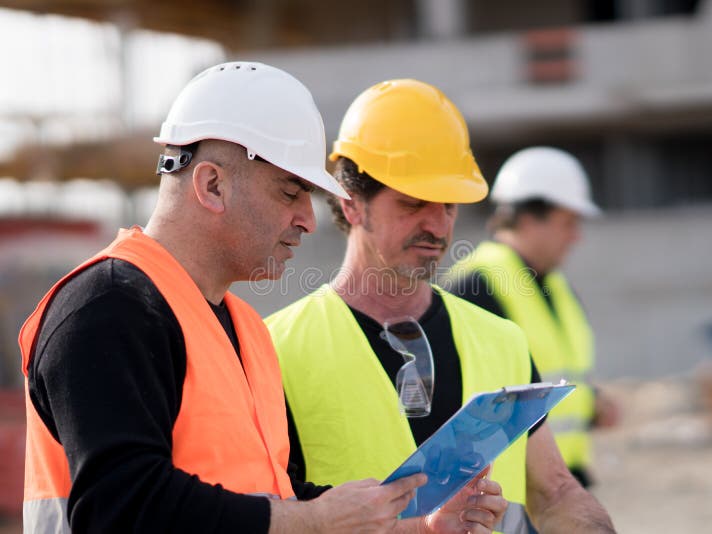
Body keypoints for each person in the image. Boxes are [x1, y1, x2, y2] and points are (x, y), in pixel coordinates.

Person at [19, 62, 507, 534]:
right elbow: (122, 509)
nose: (309, 220)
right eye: (290, 192)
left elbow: (274, 501)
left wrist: (414, 528)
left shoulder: (246, 328)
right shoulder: (106, 309)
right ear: (212, 184)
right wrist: (317, 523)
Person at [266, 79, 615, 533]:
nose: (436, 225)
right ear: (351, 203)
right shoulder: (276, 349)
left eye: (448, 205)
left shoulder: (501, 339)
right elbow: (275, 517)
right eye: (412, 204)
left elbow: (555, 492)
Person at [448, 147, 619, 488]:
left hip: (562, 480)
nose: (576, 236)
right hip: (512, 490)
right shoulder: (475, 286)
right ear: (527, 218)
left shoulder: (552, 283)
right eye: (568, 222)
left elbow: (548, 371)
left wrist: (591, 400)